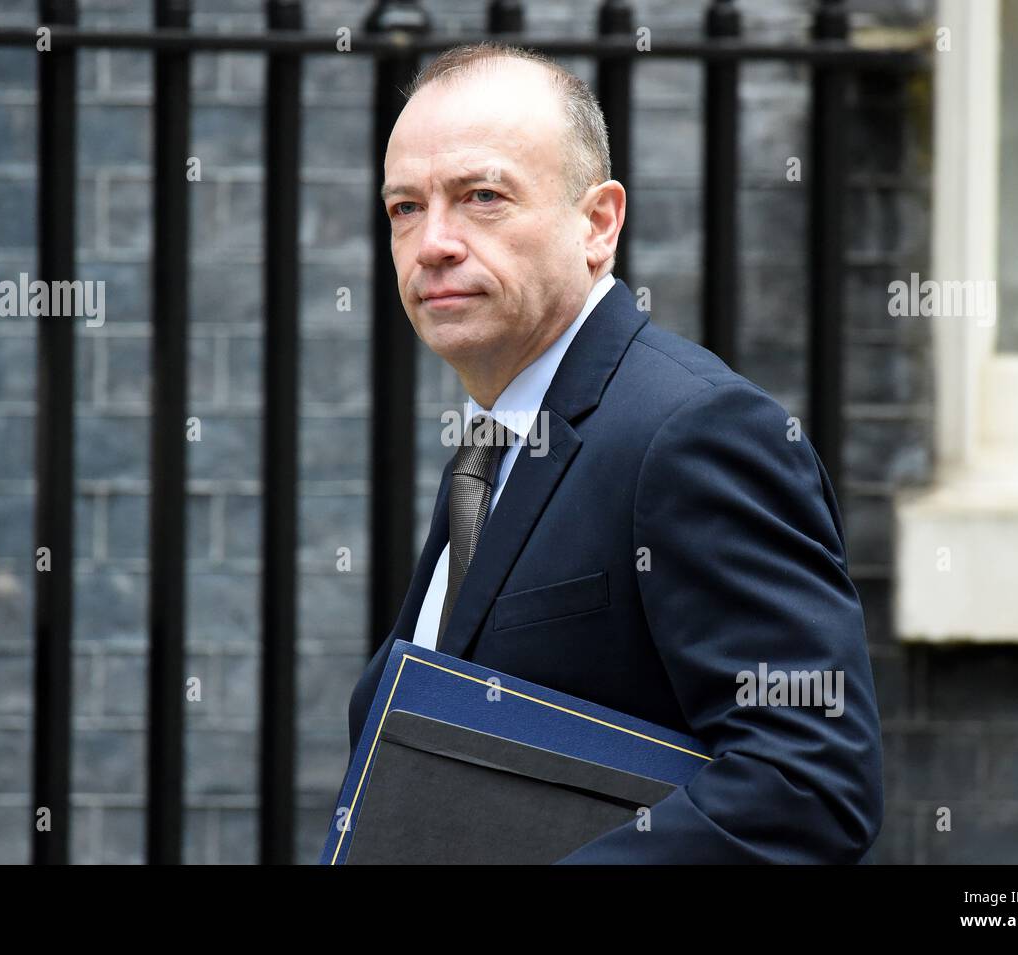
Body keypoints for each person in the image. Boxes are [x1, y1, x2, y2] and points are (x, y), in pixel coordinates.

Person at [345, 41, 883, 864]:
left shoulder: (696, 432)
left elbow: (808, 782)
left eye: (481, 196)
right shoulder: (495, 444)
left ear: (598, 223)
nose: (434, 243)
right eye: (405, 208)